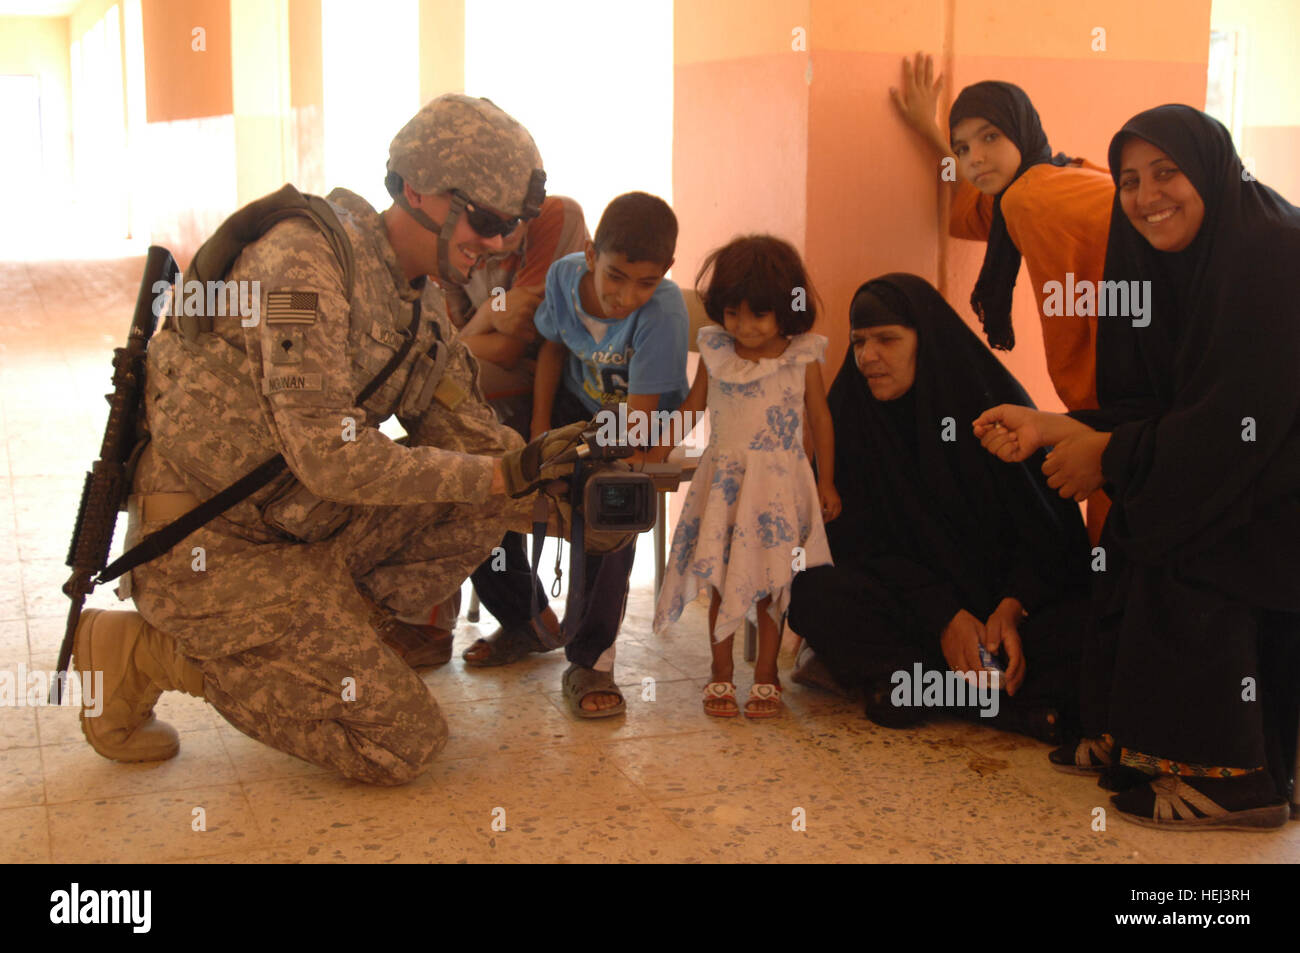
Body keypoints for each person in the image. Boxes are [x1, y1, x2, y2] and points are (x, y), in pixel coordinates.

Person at [71, 94, 586, 785]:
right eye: (486, 221)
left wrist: (562, 492)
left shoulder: (421, 306)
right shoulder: (302, 263)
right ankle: (144, 650)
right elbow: (328, 456)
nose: (497, 245)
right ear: (416, 191)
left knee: (484, 496)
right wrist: (496, 477)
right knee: (400, 743)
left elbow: (481, 450)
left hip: (301, 533)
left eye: (513, 230)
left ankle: (315, 635)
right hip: (209, 541)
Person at [975, 105, 1300, 830]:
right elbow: (1160, 405)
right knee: (1136, 521)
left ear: (1211, 168)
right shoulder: (1179, 261)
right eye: (1128, 180)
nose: (1147, 195)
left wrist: (1113, 456)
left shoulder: (1272, 255)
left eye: (1166, 173)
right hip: (1243, 464)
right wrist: (1061, 428)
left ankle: (1237, 775)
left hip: (1275, 488)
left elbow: (1233, 431)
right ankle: (1141, 741)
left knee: (1183, 530)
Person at [788, 273, 1090, 740]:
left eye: (887, 339)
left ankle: (911, 688)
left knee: (1092, 626)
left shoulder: (991, 407)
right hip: (914, 607)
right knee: (812, 593)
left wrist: (1012, 607)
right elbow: (850, 542)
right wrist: (944, 616)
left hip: (999, 609)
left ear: (924, 340)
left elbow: (1052, 536)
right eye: (859, 342)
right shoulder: (852, 416)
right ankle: (1005, 708)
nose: (868, 357)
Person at [463, 192, 689, 718]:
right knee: (482, 462)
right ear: (590, 255)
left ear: (666, 273)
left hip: (639, 423)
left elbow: (637, 421)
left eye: (645, 282)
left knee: (611, 501)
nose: (625, 296)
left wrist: (577, 461)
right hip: (572, 406)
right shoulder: (565, 279)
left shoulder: (664, 311)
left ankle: (591, 661)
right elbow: (552, 350)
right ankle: (526, 619)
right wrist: (540, 433)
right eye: (615, 276)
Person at [891, 56, 1115, 541]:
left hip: (1130, 406)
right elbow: (975, 202)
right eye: (963, 146)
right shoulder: (1043, 179)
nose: (974, 157)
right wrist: (931, 134)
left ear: (1022, 128)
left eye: (991, 136)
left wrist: (1090, 420)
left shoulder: (1037, 199)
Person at [653, 236, 837, 718]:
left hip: (778, 487)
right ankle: (720, 676)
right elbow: (692, 407)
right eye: (732, 313)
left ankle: (766, 676)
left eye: (758, 315)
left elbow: (820, 420)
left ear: (785, 310)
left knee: (772, 586)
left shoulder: (802, 357)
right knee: (720, 577)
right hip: (725, 484)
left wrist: (826, 481)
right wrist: (654, 451)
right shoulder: (716, 351)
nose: (742, 326)